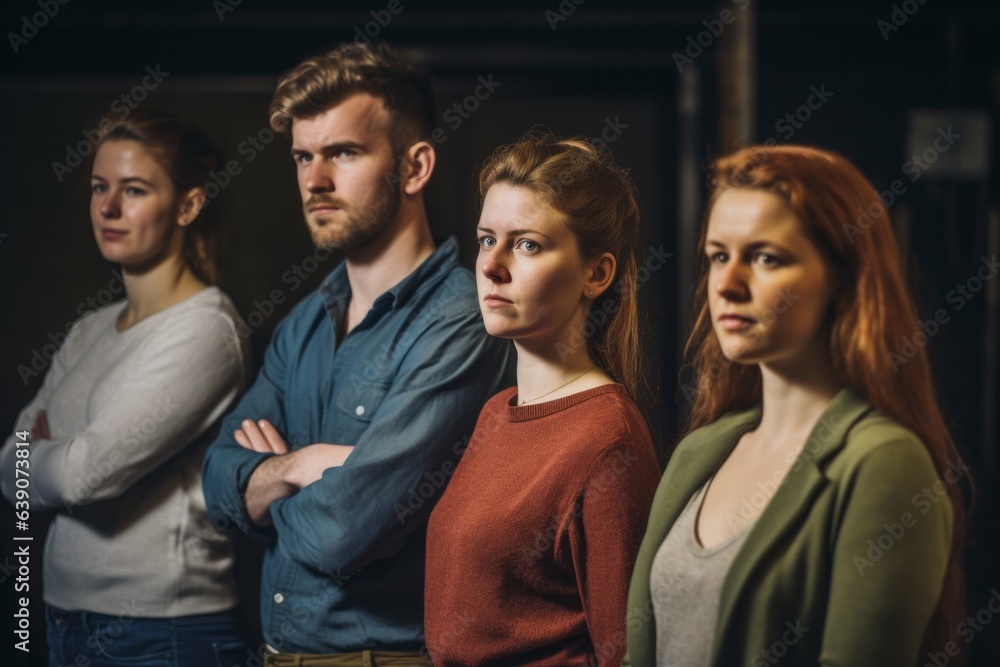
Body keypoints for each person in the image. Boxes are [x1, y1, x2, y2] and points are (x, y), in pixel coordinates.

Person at [200, 42, 511, 664]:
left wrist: (267, 490)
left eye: (343, 153)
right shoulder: (302, 324)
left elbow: (346, 531)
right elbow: (214, 483)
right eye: (302, 157)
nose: (315, 180)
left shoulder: (463, 322)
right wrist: (301, 466)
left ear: (414, 166)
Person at [623, 145, 969, 666]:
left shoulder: (884, 464)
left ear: (842, 278)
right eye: (719, 255)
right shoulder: (699, 452)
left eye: (766, 257)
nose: (728, 284)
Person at [0, 108, 251, 666]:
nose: (108, 208)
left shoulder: (205, 329)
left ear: (188, 204)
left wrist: (45, 453)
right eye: (98, 188)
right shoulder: (89, 328)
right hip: (62, 618)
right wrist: (46, 459)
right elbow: (7, 469)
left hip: (163, 633)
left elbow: (84, 475)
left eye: (133, 190)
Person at [423, 133, 661, 667]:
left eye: (527, 244)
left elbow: (623, 653)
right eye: (487, 239)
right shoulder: (497, 410)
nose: (491, 266)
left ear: (597, 274)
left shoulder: (607, 440)